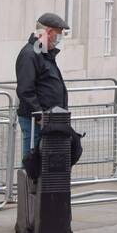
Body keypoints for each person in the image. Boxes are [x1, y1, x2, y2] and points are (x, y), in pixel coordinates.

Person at [15, 12, 69, 157]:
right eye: (58, 35)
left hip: (48, 120)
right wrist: (39, 115)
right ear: (48, 32)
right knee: (32, 162)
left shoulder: (43, 53)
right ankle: (29, 180)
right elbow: (26, 89)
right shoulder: (30, 54)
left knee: (45, 164)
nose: (59, 40)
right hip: (36, 121)